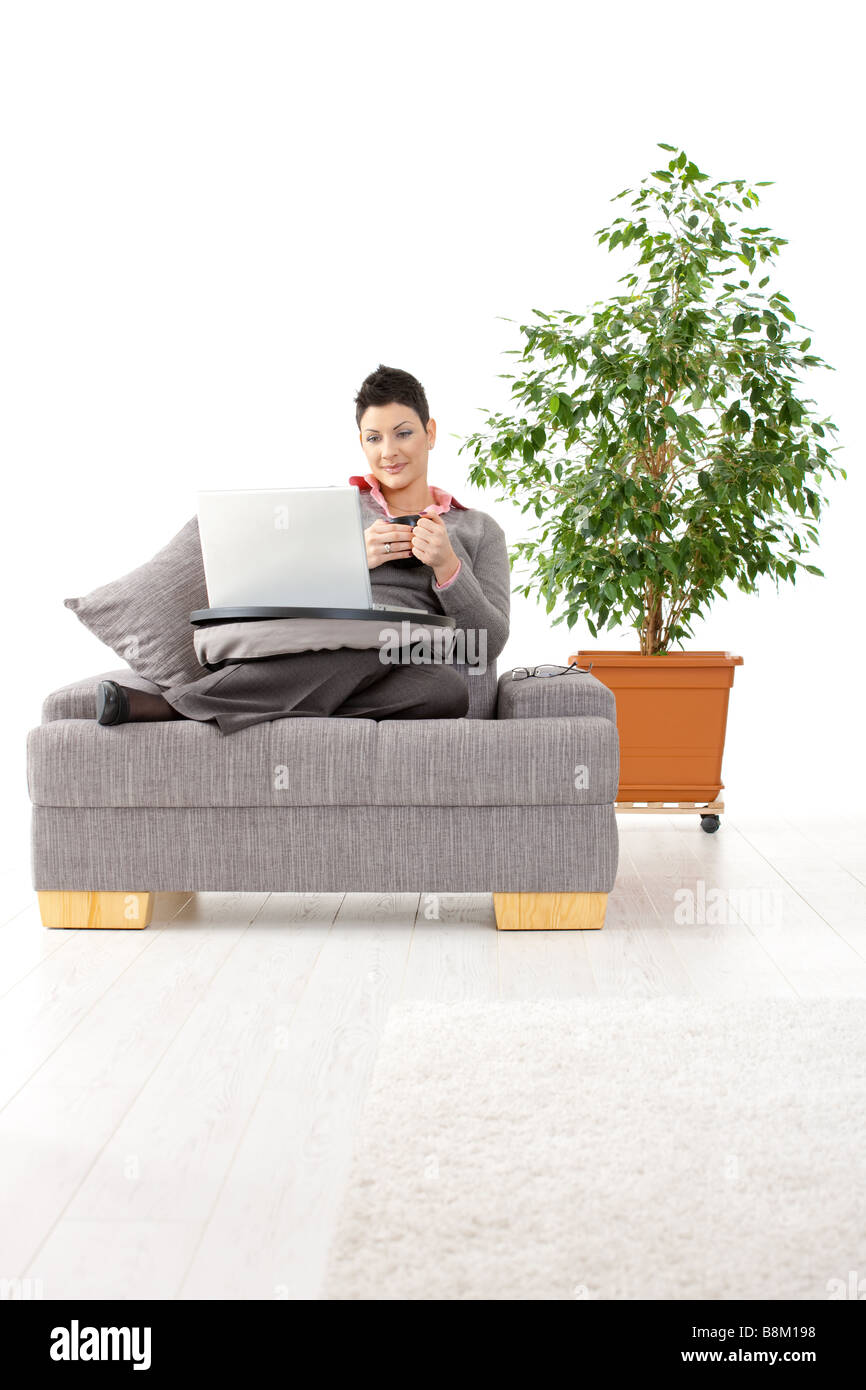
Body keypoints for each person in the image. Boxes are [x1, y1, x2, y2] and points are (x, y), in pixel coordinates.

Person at [95, 364, 510, 732]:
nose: (389, 452)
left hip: (409, 656)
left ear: (429, 433)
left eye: (403, 433)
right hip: (327, 642)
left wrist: (448, 567)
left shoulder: (478, 529)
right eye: (374, 438)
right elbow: (275, 596)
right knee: (376, 637)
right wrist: (351, 560)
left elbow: (486, 644)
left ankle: (236, 708)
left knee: (446, 690)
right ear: (362, 443)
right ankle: (184, 708)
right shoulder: (330, 512)